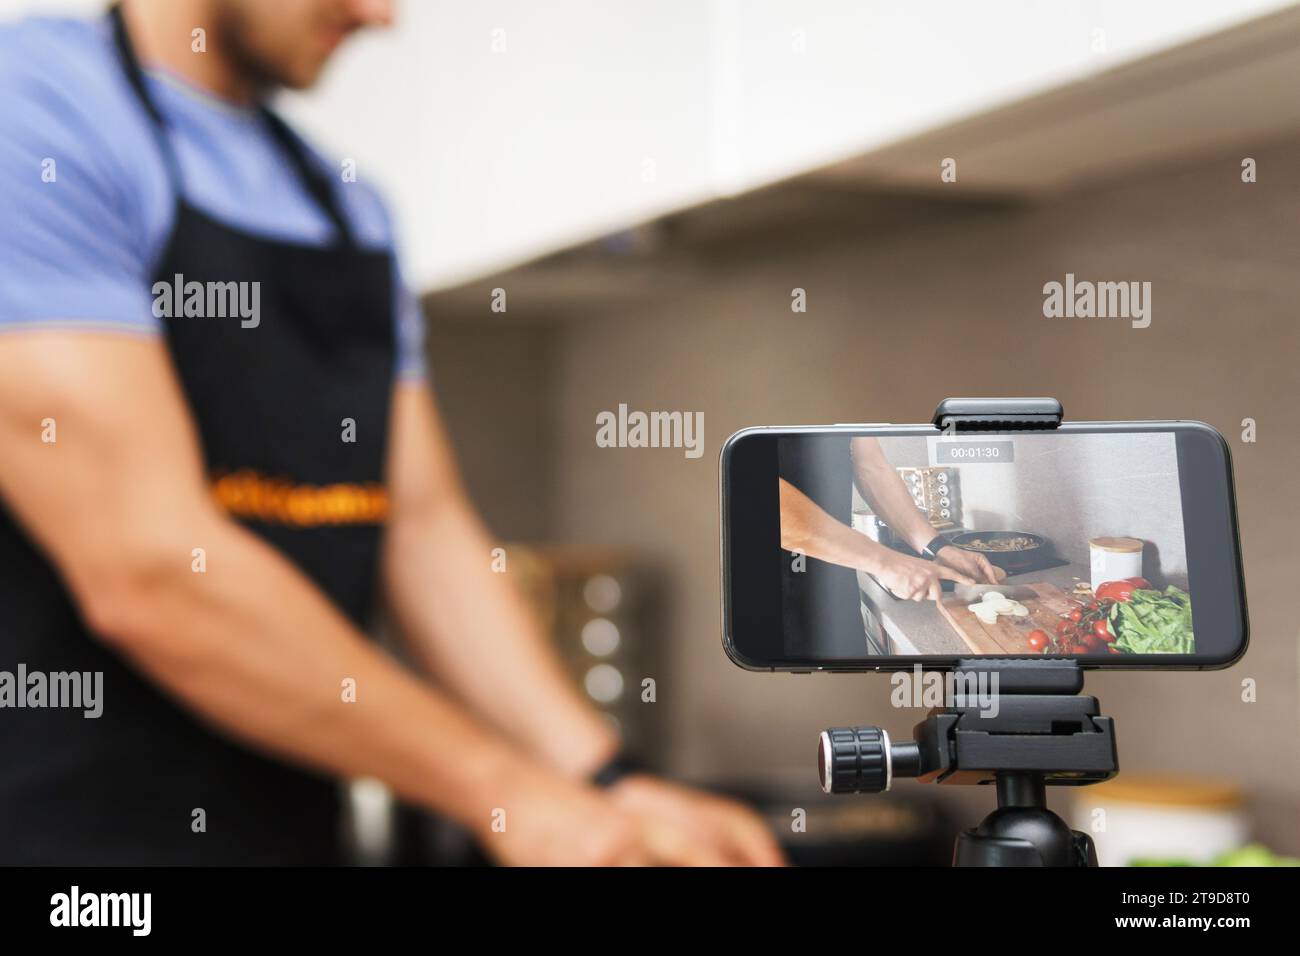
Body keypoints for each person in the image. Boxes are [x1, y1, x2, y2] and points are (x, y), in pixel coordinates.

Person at [0, 0, 782, 866]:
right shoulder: (33, 110)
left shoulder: (349, 207)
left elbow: (421, 525)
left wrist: (605, 778)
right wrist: (505, 792)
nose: (380, 16)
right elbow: (150, 570)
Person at [778, 437, 1004, 655]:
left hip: (836, 590)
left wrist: (937, 548)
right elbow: (756, 494)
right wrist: (885, 562)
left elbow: (872, 467)